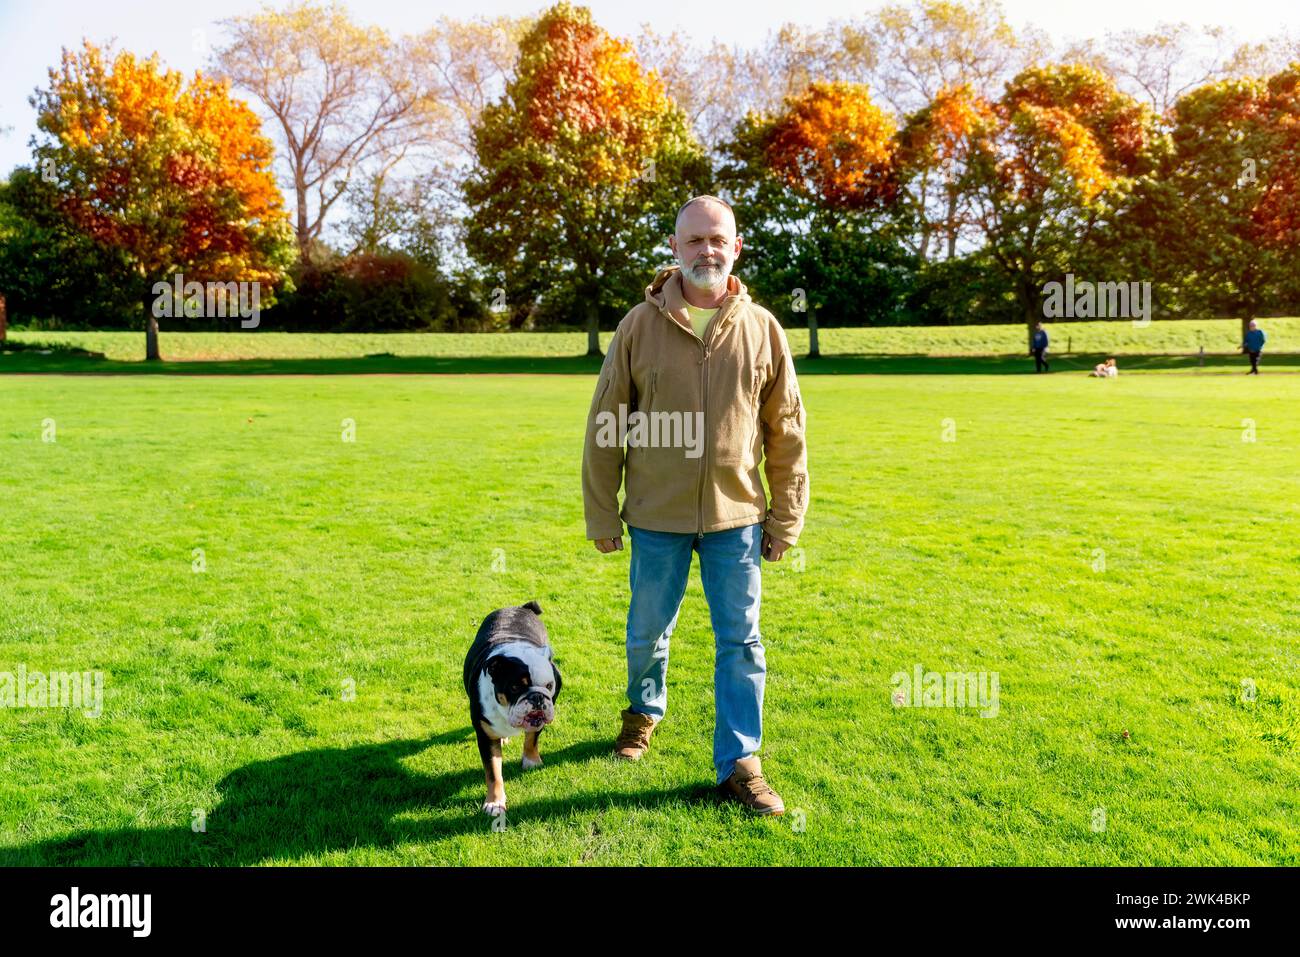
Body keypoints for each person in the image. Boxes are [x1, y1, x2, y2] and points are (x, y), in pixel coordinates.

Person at [582, 194, 809, 816]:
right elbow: (607, 422)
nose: (706, 250)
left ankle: (739, 762)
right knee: (648, 631)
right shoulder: (638, 325)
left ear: (735, 247)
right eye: (693, 241)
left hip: (737, 517)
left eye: (718, 239)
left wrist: (786, 515)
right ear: (675, 250)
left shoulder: (763, 328)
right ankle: (641, 713)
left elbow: (786, 428)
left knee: (741, 641)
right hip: (656, 517)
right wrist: (603, 512)